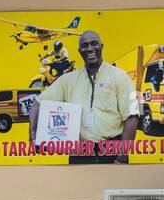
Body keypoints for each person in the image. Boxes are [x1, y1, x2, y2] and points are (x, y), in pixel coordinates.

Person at [30, 30, 138, 165]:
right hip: (79, 154)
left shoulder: (120, 77)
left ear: (102, 47)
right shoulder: (67, 80)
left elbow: (131, 117)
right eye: (85, 45)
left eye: (94, 44)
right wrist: (33, 135)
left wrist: (121, 158)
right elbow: (38, 103)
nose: (90, 48)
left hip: (112, 153)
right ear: (79, 51)